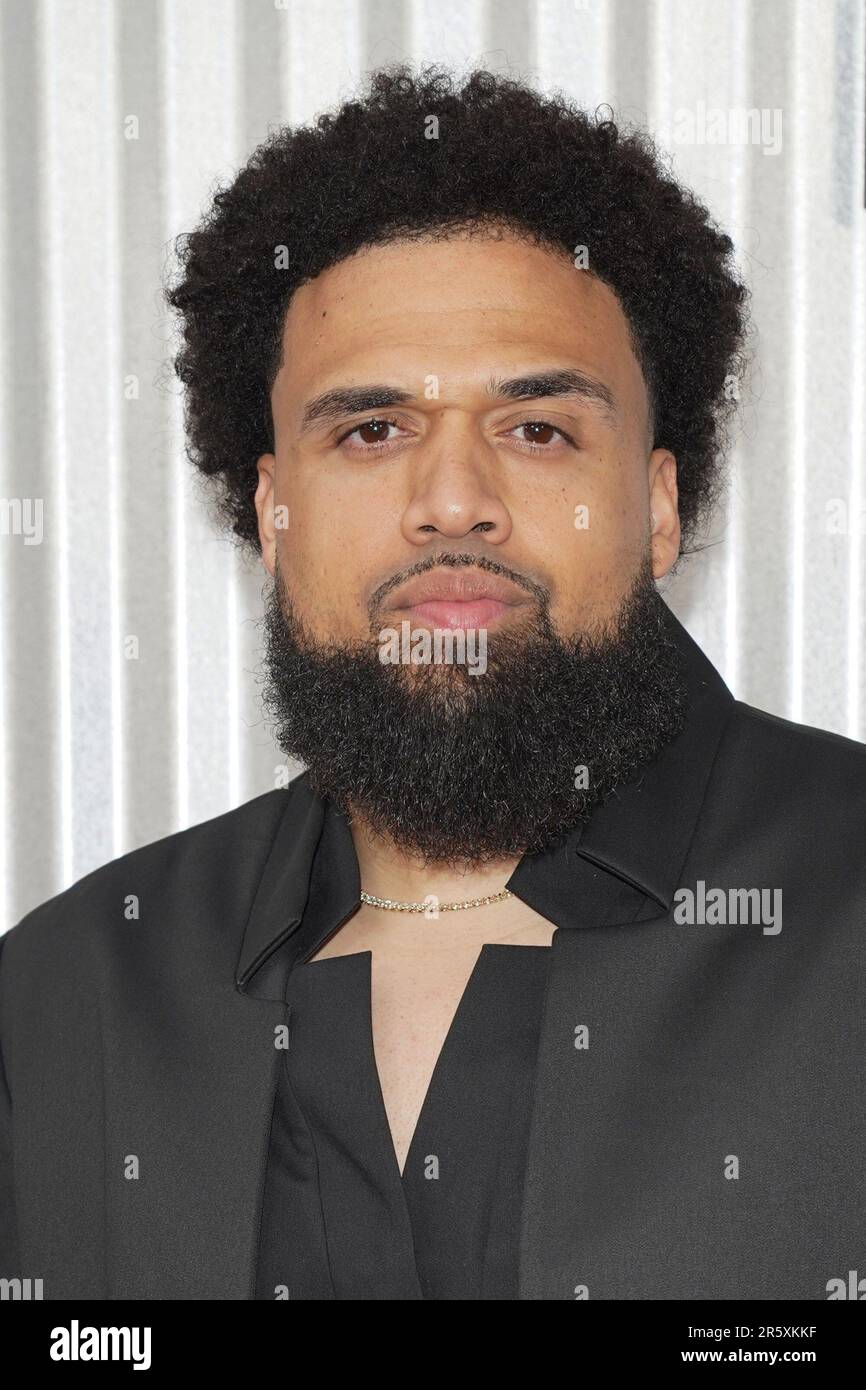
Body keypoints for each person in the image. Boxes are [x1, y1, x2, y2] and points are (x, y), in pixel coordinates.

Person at [1, 65, 863, 1302]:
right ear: (270, 508)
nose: (452, 501)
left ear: (661, 508)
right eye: (371, 431)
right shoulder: (66, 1000)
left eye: (536, 429)